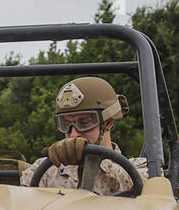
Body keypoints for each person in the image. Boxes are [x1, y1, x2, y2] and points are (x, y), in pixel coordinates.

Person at [20, 77, 148, 194]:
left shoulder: (138, 168)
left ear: (108, 123)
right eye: (66, 124)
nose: (74, 134)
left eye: (85, 122)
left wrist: (89, 163)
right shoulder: (44, 170)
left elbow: (142, 188)